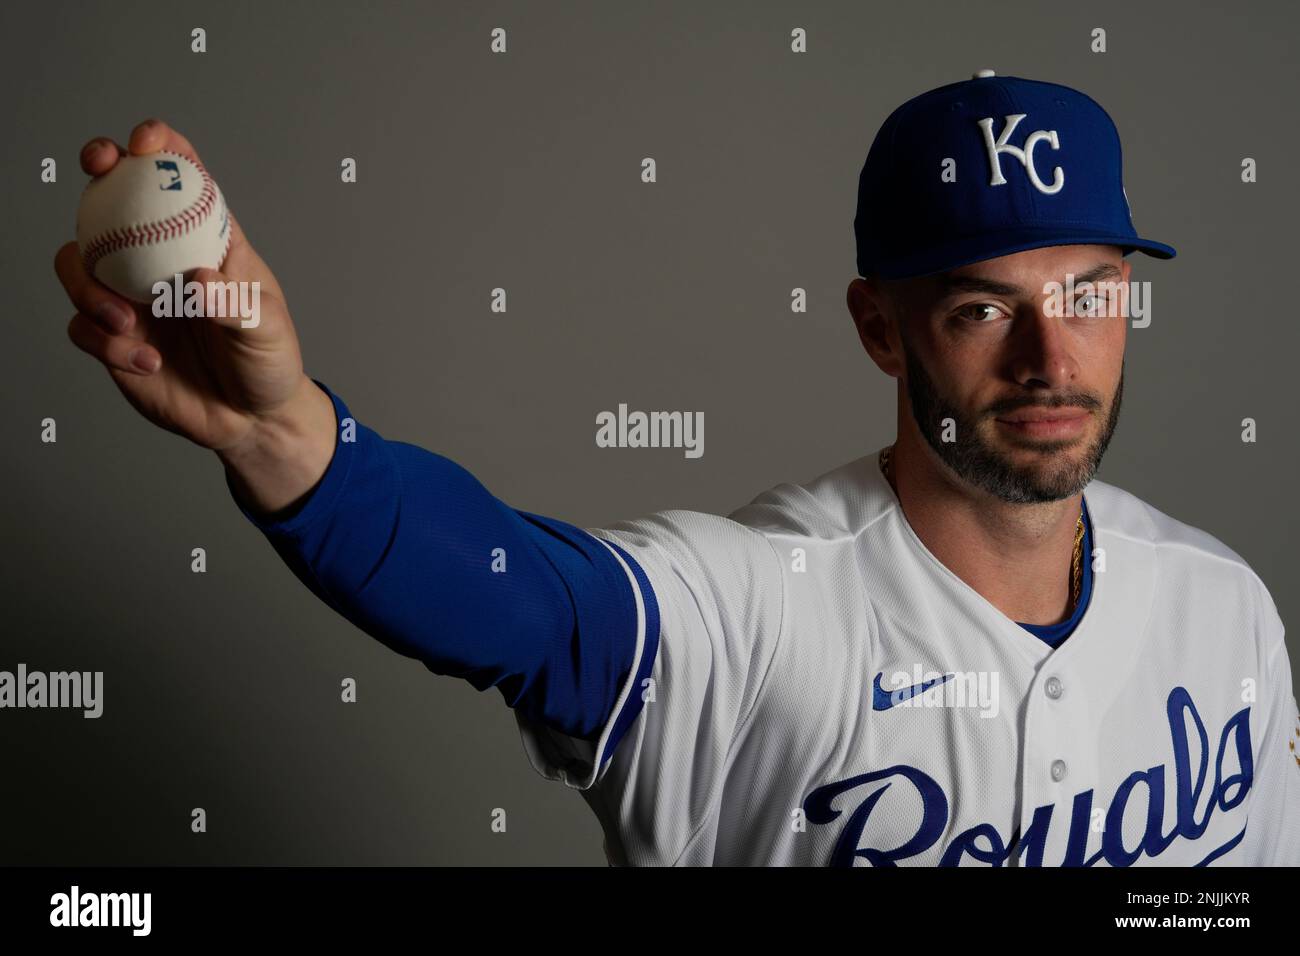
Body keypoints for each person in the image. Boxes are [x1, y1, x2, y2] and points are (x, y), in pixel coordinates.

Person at [55, 72, 1300, 867]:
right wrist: (284, 436)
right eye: (983, 307)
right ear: (880, 326)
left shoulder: (1221, 607)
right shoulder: (756, 599)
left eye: (1090, 292)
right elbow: (530, 609)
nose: (1052, 355)